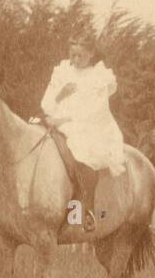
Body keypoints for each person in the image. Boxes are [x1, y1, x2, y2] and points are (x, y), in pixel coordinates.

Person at [39, 35, 126, 233]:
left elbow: (97, 111)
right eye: (73, 55)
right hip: (56, 121)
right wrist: (61, 95)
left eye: (80, 56)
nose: (76, 60)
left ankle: (85, 208)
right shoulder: (62, 71)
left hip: (91, 126)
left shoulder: (99, 76)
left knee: (81, 151)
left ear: (91, 54)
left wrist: (65, 120)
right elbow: (46, 103)